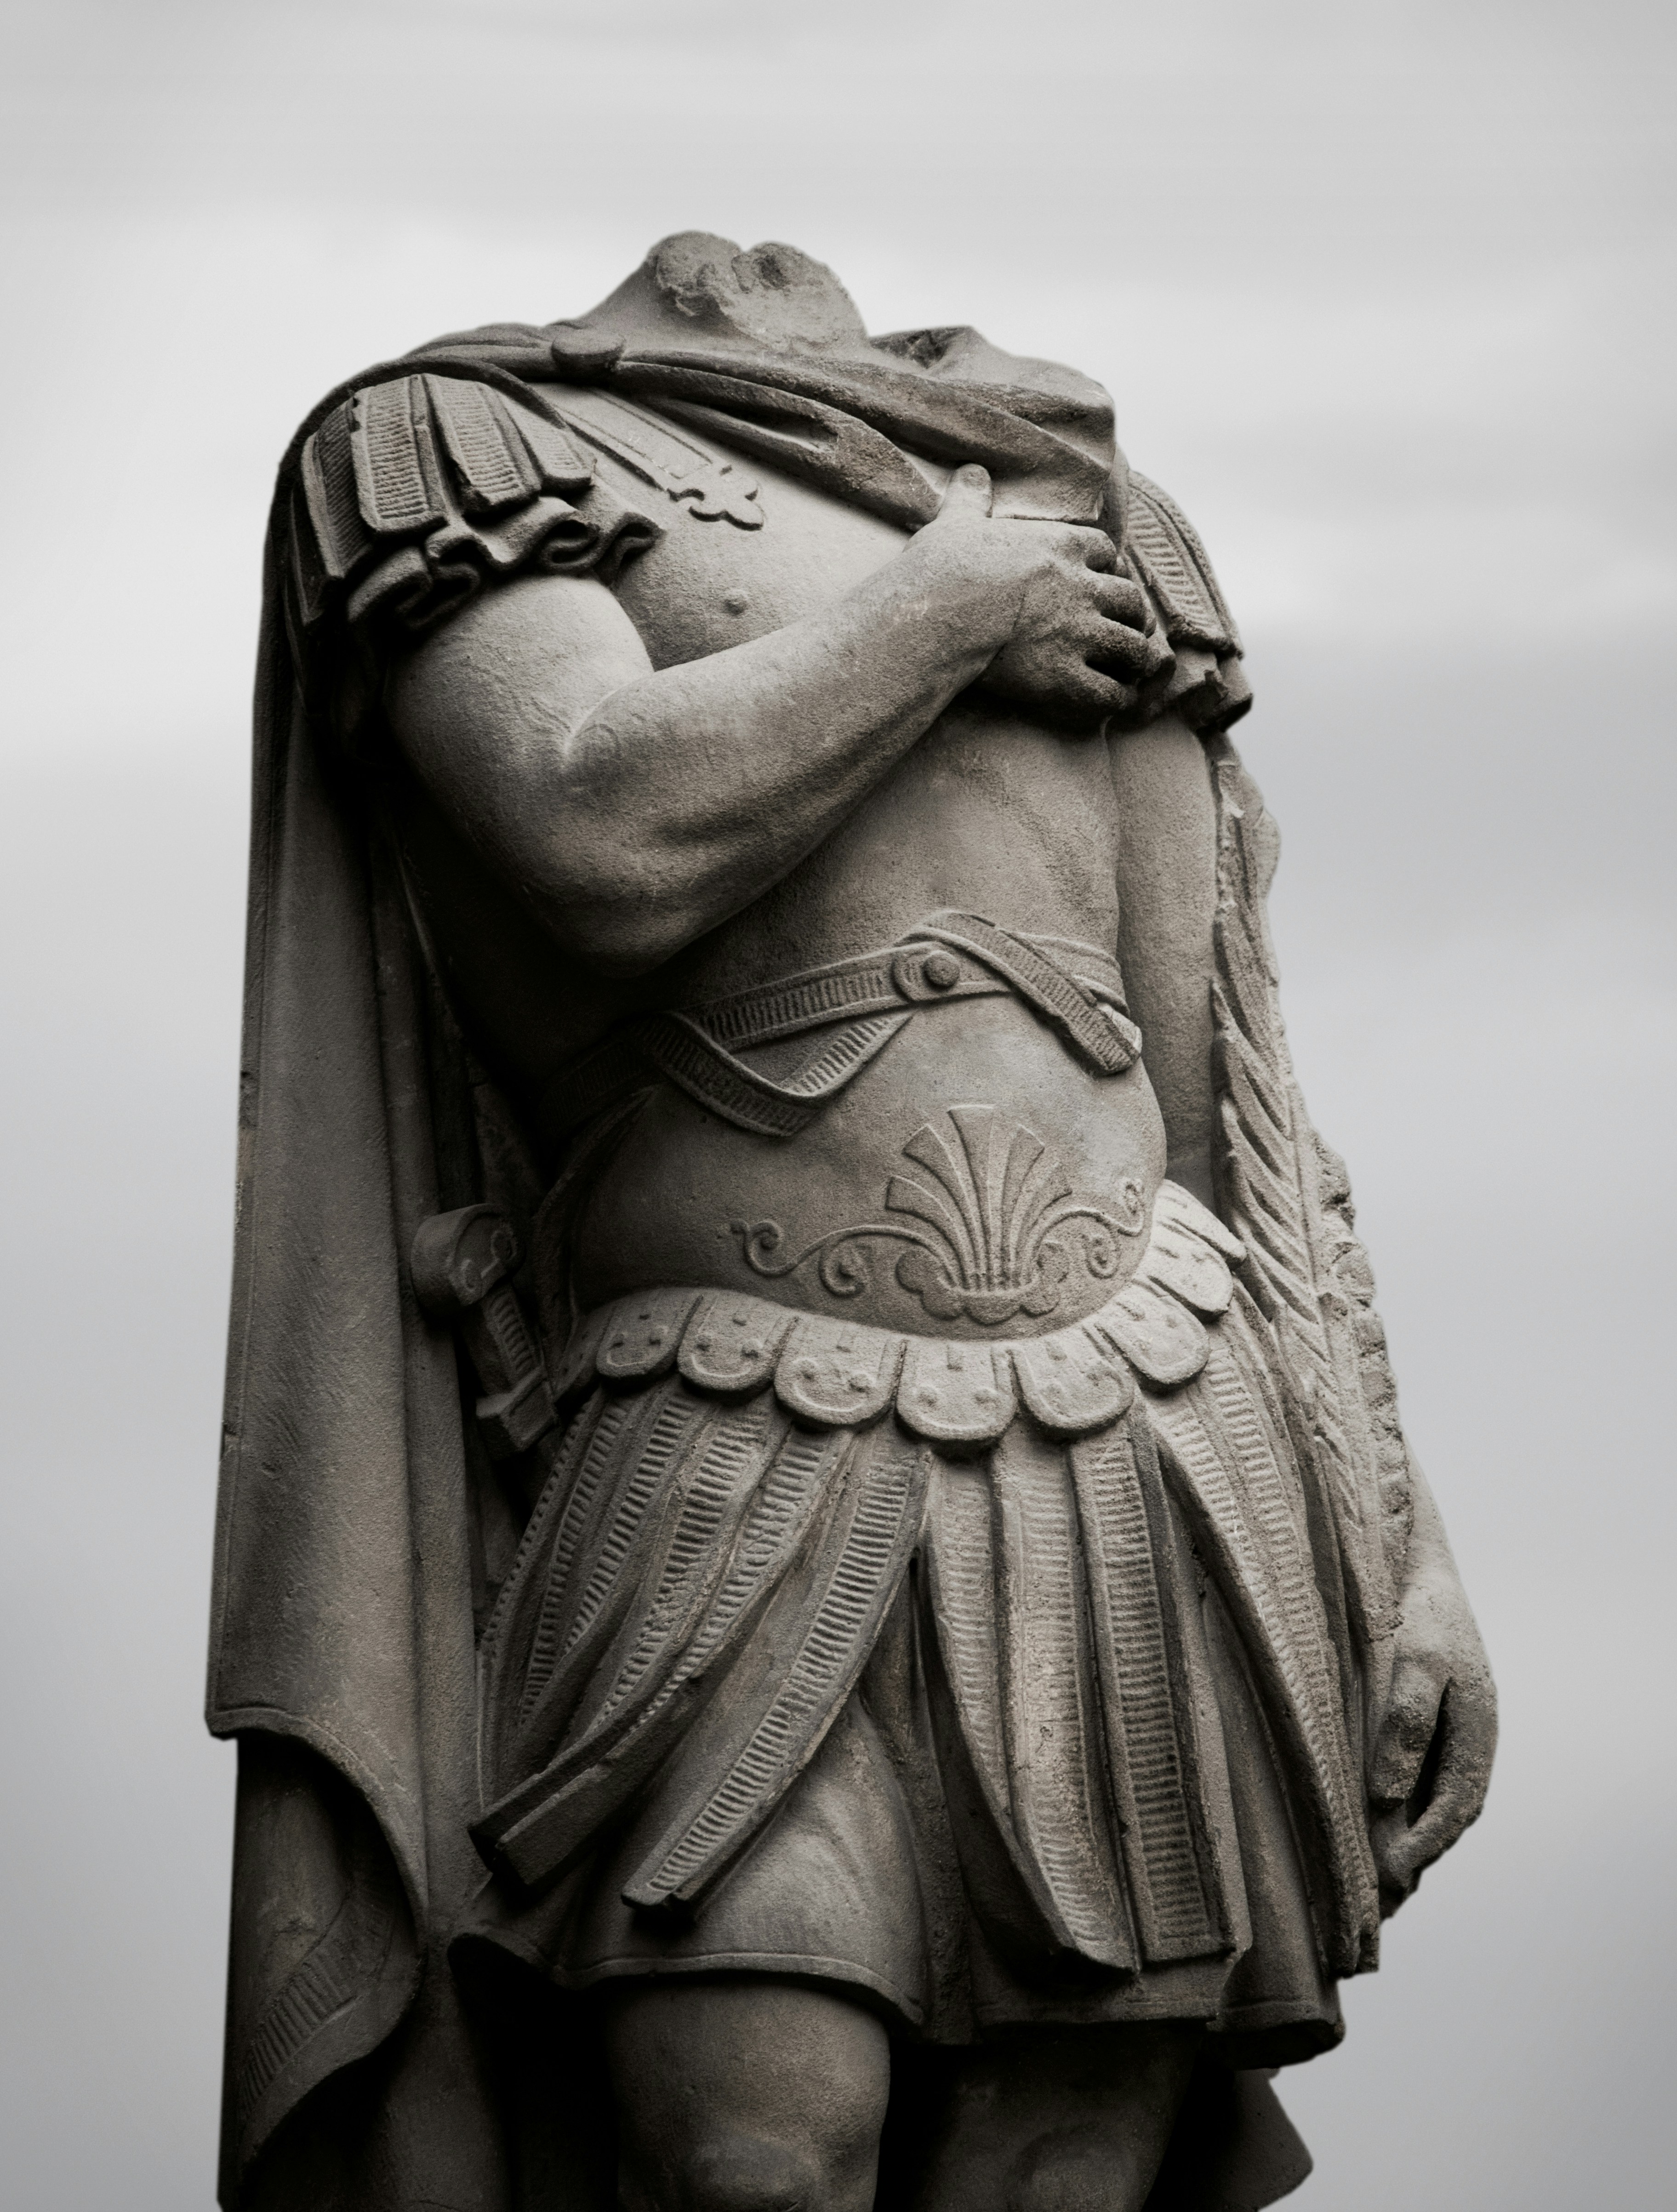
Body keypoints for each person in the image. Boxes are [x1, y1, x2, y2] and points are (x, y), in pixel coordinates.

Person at [210, 234, 1495, 2212]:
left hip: (1150, 1417)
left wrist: (1406, 1550)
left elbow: (1229, 1083)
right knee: (749, 2157)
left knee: (1067, 2180)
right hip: (732, 1421)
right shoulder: (459, 437)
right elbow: (592, 832)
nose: (761, 250)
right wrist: (944, 609)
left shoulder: (1092, 512)